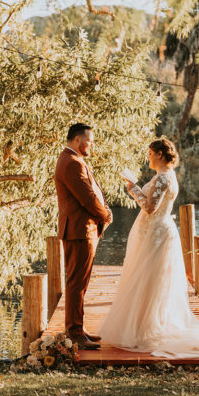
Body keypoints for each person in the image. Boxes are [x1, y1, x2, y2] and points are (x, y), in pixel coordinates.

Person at [100, 138, 199, 368]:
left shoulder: (164, 177)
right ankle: (143, 324)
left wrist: (132, 188)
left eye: (151, 153)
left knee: (148, 279)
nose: (148, 157)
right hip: (156, 231)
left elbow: (149, 207)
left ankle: (145, 328)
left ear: (160, 155)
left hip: (155, 233)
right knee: (150, 280)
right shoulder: (167, 176)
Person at [54, 123, 112, 350]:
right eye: (90, 140)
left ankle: (78, 328)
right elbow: (87, 197)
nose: (92, 145)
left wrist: (104, 212)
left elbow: (93, 192)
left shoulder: (74, 160)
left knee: (81, 283)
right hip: (79, 230)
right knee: (77, 283)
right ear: (77, 139)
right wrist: (106, 215)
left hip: (84, 229)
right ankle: (75, 333)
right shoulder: (70, 162)